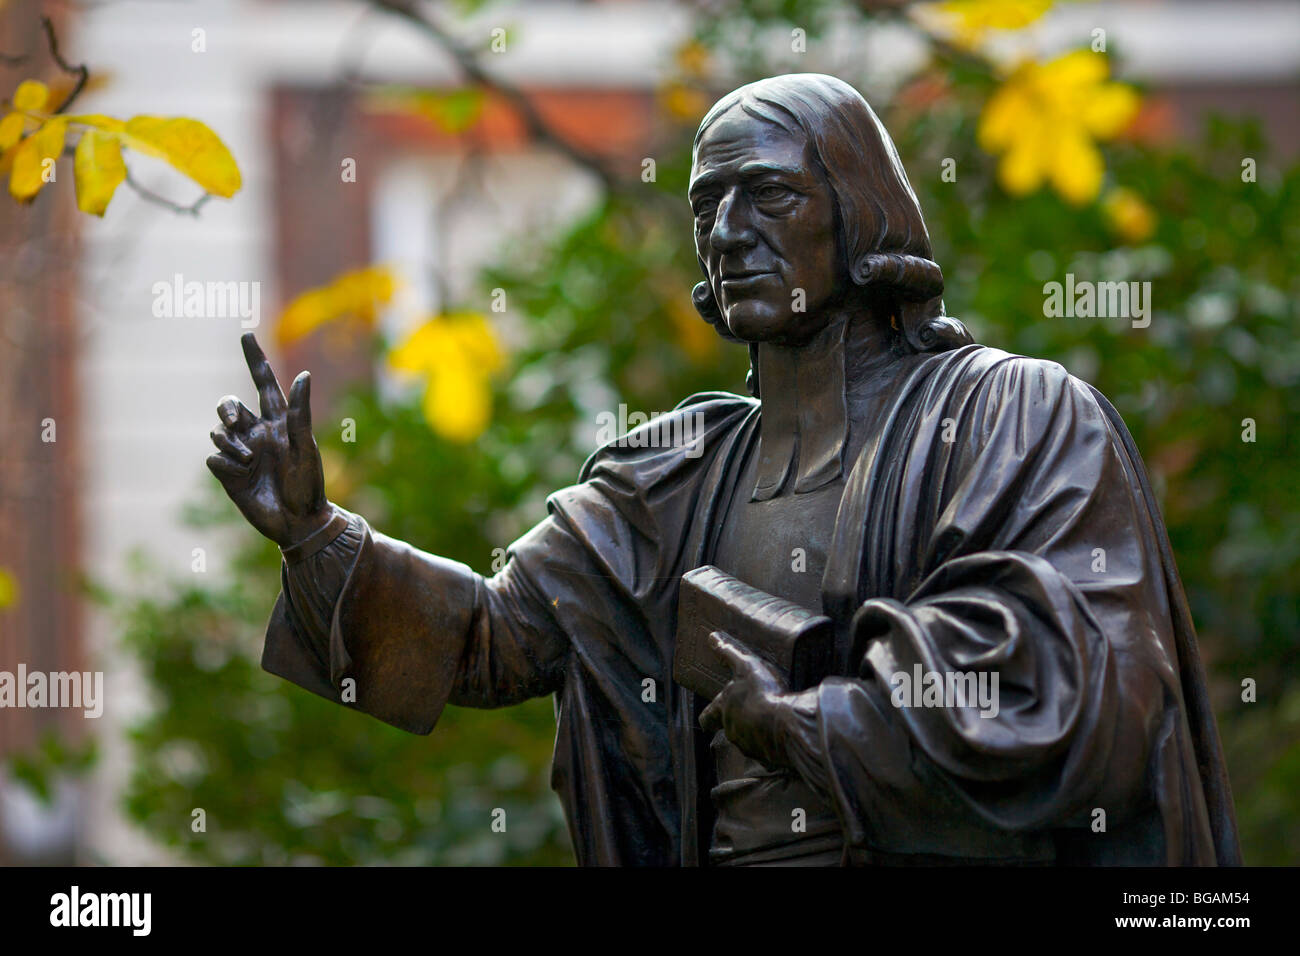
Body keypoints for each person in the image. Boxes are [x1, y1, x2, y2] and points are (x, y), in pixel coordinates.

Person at [207, 73, 1239, 866]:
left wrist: (810, 719)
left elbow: (1081, 684)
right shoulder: (668, 475)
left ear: (856, 206)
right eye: (707, 206)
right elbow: (490, 638)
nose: (728, 233)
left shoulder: (1013, 415)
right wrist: (316, 532)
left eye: (770, 197)